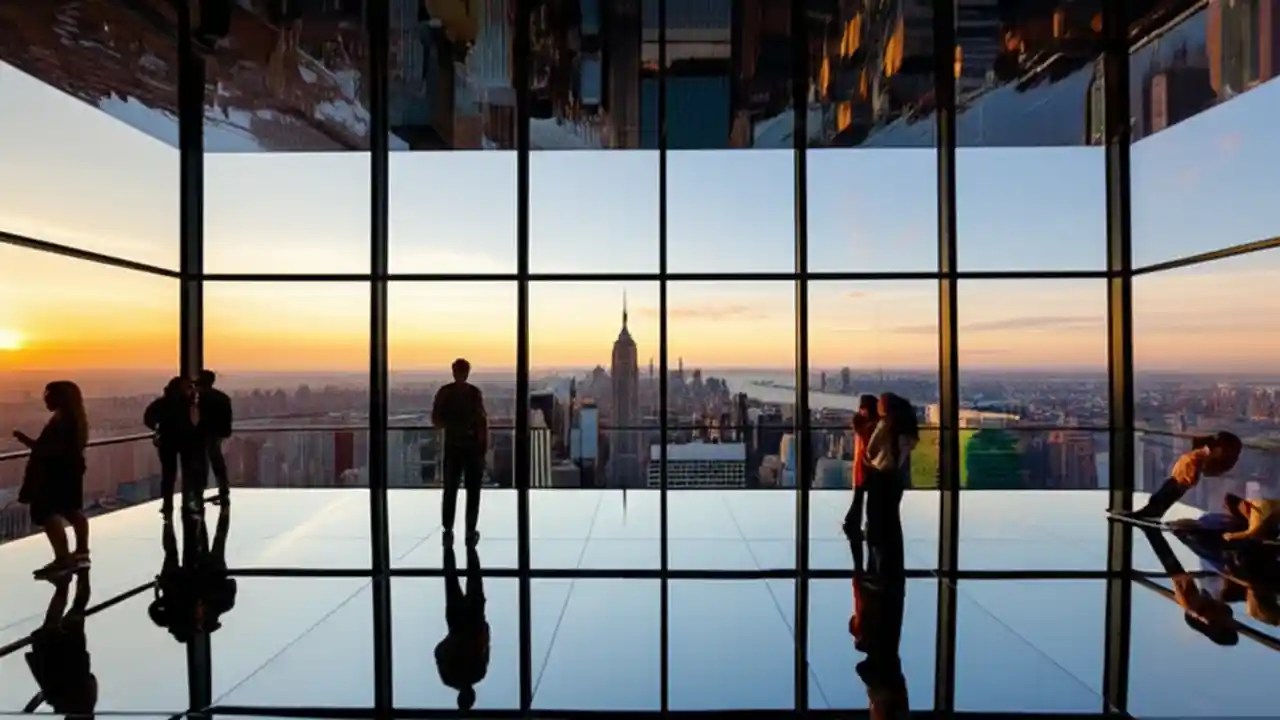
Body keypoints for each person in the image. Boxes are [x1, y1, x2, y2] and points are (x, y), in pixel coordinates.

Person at [15, 381, 90, 578]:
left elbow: (49, 450)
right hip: (69, 471)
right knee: (71, 510)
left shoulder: (62, 422)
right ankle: (81, 552)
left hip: (54, 473)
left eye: (48, 394)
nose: (45, 398)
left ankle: (62, 559)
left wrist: (30, 444)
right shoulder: (75, 420)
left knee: (46, 512)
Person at [21, 568, 96, 716]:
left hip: (76, 656)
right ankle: (63, 582)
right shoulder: (65, 704)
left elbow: (91, 680)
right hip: (61, 659)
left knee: (77, 608)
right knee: (52, 624)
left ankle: (82, 569)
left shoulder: (87, 703)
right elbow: (47, 690)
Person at [432, 358, 488, 545]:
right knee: (473, 491)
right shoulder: (474, 393)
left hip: (453, 448)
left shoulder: (445, 393)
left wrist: (453, 425)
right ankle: (470, 530)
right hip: (472, 450)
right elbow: (482, 422)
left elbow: (436, 420)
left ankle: (448, 529)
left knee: (450, 489)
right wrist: (482, 448)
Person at [1125, 431, 1243, 520]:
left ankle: (1151, 512)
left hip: (1183, 474)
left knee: (1168, 492)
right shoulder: (1201, 455)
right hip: (1183, 473)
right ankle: (1151, 512)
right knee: (1168, 492)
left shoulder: (1200, 455)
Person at [863, 393, 918, 576]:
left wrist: (869, 459)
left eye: (880, 403)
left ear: (885, 407)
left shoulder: (884, 424)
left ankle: (878, 563)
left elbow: (871, 449)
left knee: (875, 514)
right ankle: (892, 559)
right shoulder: (907, 428)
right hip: (897, 477)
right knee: (891, 516)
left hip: (881, 473)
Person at [435, 544, 490, 711]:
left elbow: (484, 645)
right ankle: (449, 543)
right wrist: (453, 639)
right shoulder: (449, 678)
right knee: (451, 578)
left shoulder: (478, 673)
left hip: (471, 621)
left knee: (472, 575)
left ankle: (467, 543)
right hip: (458, 622)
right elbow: (439, 652)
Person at [144, 377, 204, 515]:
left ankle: (167, 505)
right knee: (188, 473)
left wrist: (157, 428)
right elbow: (196, 423)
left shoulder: (161, 403)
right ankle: (189, 502)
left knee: (168, 475)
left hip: (167, 442)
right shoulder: (189, 405)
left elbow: (148, 418)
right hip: (186, 442)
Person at [843, 394, 880, 537]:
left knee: (858, 498)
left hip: (860, 466)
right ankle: (855, 522)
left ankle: (852, 522)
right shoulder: (870, 426)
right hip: (867, 466)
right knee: (867, 499)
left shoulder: (859, 424)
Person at [196, 370, 234, 506]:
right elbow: (227, 418)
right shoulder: (222, 397)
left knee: (202, 462)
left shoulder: (200, 397)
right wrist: (225, 432)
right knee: (217, 460)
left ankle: (199, 490)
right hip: (216, 434)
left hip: (203, 434)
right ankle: (223, 488)